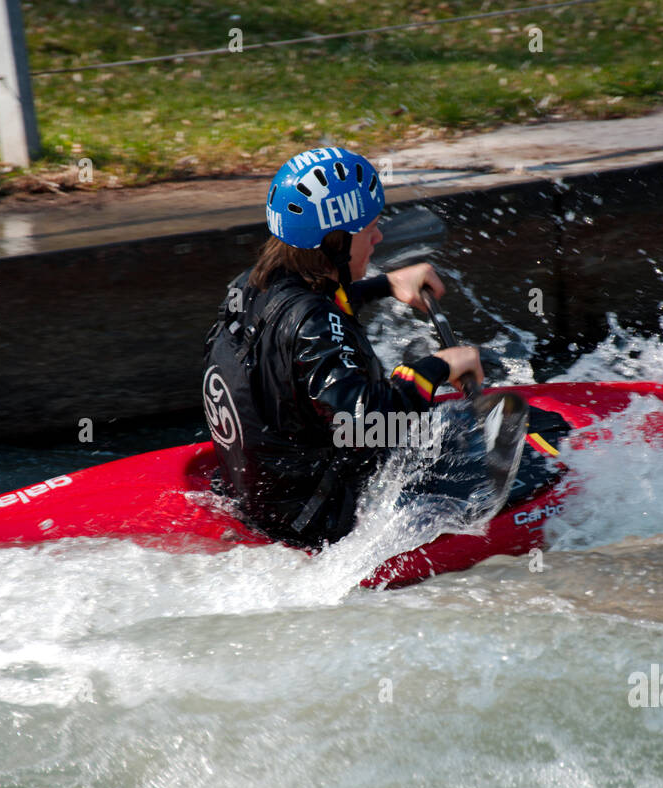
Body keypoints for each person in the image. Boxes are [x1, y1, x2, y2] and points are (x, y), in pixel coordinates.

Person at [203, 146, 485, 548]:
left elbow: (301, 317)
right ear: (335, 240)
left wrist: (386, 283)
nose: (378, 236)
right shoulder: (312, 322)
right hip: (316, 521)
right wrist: (437, 367)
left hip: (260, 497)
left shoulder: (250, 285)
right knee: (465, 432)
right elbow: (369, 424)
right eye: (368, 228)